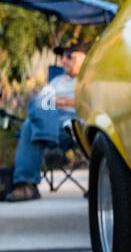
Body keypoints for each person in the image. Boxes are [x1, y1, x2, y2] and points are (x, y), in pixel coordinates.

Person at [5, 43, 87, 202]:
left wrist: (64, 102)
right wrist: (58, 102)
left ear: (85, 58)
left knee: (30, 126)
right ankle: (50, 143)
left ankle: (26, 186)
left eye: (69, 56)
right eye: (62, 56)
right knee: (35, 111)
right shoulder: (57, 81)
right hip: (52, 121)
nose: (63, 60)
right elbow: (40, 103)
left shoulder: (92, 79)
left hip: (75, 127)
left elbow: (93, 104)